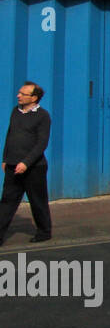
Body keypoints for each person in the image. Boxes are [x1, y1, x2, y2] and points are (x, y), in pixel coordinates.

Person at [0, 81, 53, 245]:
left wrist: (26, 163)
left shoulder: (43, 116)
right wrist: (5, 158)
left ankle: (44, 232)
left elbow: (41, 144)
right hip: (12, 165)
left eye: (23, 94)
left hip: (34, 168)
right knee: (7, 202)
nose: (19, 96)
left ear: (34, 98)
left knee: (38, 201)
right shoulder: (15, 112)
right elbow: (10, 136)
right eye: (19, 93)